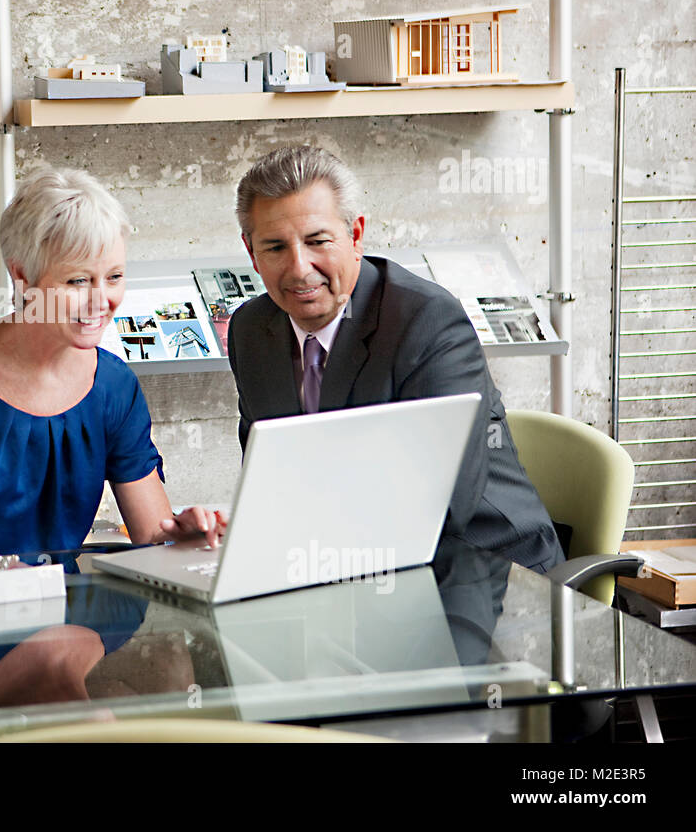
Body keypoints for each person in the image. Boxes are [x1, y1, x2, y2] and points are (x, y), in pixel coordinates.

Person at [227, 146, 564, 573]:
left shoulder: (427, 321)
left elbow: (445, 503)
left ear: (356, 236)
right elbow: (268, 482)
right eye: (275, 247)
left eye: (317, 241)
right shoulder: (251, 330)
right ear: (251, 251)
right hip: (341, 569)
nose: (299, 268)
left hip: (485, 568)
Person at [0, 167, 226, 563]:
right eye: (78, 281)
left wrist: (185, 536)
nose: (101, 300)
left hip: (64, 610)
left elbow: (152, 538)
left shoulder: (113, 384)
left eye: (114, 276)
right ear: (22, 276)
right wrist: (4, 576)